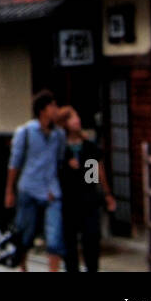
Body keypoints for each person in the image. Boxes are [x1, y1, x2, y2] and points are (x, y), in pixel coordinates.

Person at [4, 90, 65, 272]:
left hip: (52, 190)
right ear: (43, 110)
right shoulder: (26, 132)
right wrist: (9, 190)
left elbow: (60, 160)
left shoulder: (58, 135)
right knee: (25, 234)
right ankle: (23, 268)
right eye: (52, 106)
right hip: (29, 187)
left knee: (54, 237)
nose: (56, 110)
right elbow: (14, 163)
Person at [54, 106, 116, 271]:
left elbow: (94, 173)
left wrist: (107, 193)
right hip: (67, 199)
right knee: (70, 243)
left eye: (77, 117)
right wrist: (66, 166)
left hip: (88, 198)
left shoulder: (89, 146)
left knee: (91, 239)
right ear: (64, 123)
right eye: (72, 118)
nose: (77, 121)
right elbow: (53, 171)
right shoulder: (60, 148)